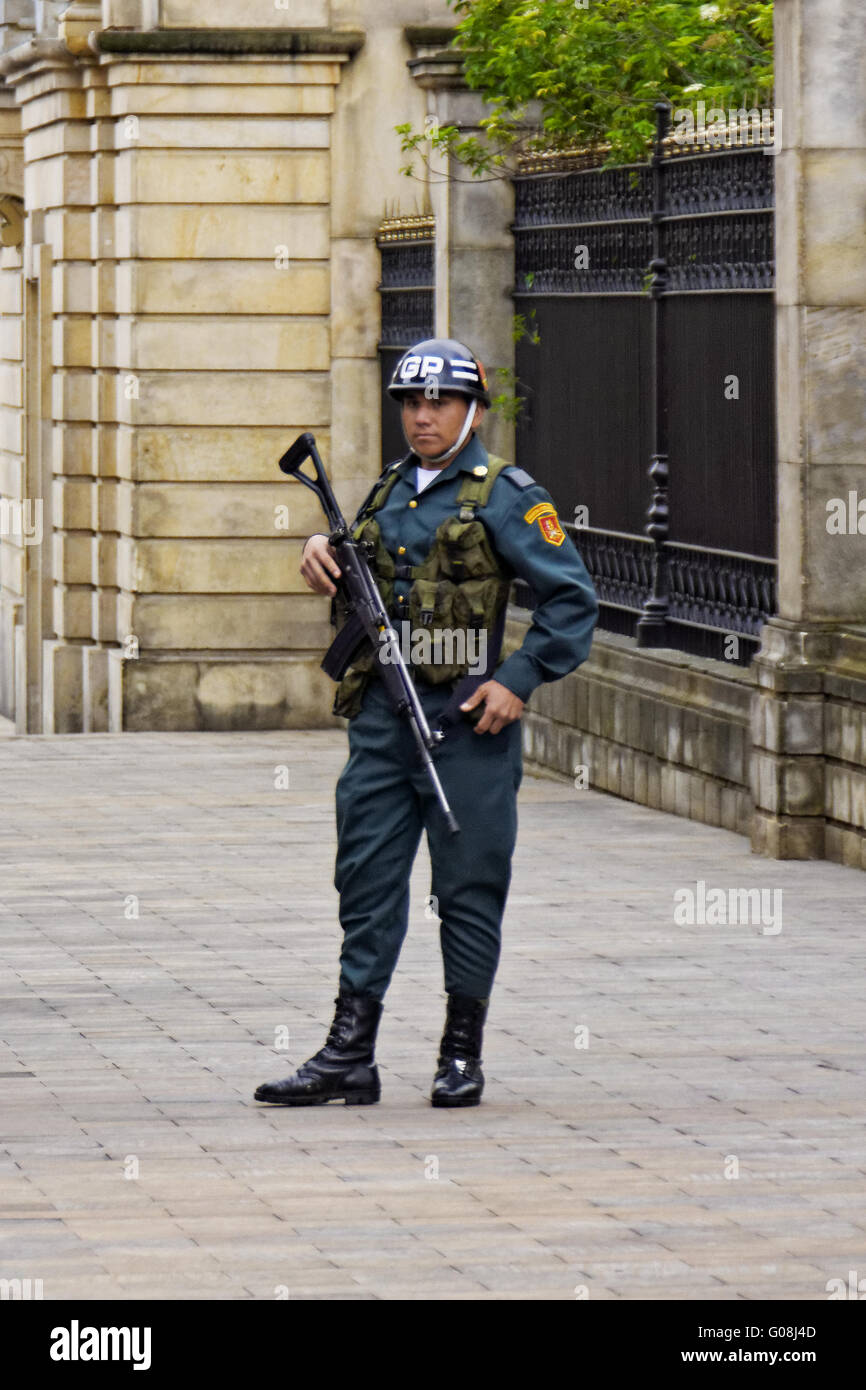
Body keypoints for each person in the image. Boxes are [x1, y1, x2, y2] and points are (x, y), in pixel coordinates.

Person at [254, 338, 598, 1108]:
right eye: (411, 402)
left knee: (469, 886)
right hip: (382, 720)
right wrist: (320, 547)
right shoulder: (386, 490)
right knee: (365, 879)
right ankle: (350, 1053)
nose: (423, 416)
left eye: (439, 401)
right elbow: (364, 565)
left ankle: (460, 1052)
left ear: (471, 409)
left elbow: (573, 601)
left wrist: (520, 678)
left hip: (465, 722)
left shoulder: (505, 495)